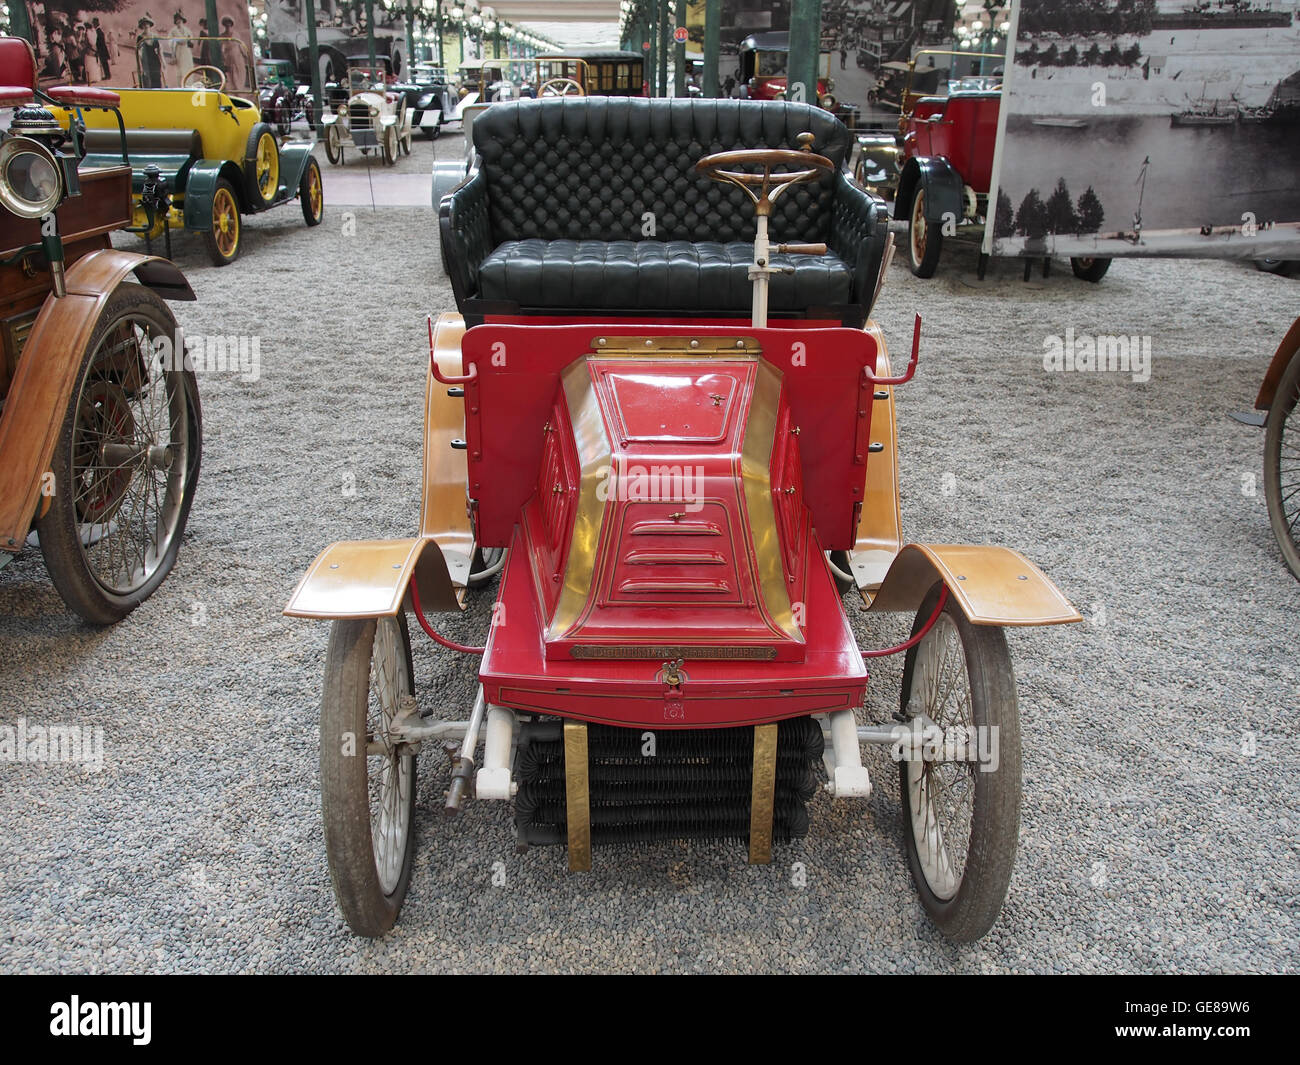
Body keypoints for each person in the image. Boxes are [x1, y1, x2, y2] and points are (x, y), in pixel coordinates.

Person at [220, 17, 248, 92]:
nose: (228, 25)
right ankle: (234, 88)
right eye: (226, 24)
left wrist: (244, 54)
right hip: (228, 56)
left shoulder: (236, 34)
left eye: (229, 24)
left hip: (237, 55)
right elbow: (222, 47)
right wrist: (223, 57)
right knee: (232, 72)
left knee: (240, 71)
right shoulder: (222, 35)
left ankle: (240, 88)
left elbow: (240, 45)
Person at [138, 16, 162, 88]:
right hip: (146, 62)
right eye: (144, 24)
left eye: (147, 24)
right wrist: (140, 65)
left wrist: (163, 62)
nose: (146, 26)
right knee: (147, 81)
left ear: (150, 25)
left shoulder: (154, 36)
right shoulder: (140, 37)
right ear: (142, 26)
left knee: (157, 80)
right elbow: (138, 51)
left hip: (155, 62)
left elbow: (159, 49)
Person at [170, 11, 193, 84]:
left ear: (183, 20)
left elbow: (191, 41)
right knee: (180, 70)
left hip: (186, 51)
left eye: (180, 19)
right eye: (177, 19)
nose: (178, 21)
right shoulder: (173, 31)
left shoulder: (187, 30)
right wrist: (173, 56)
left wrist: (189, 41)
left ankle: (188, 85)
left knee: (188, 68)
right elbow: (172, 43)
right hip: (179, 51)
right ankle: (181, 85)